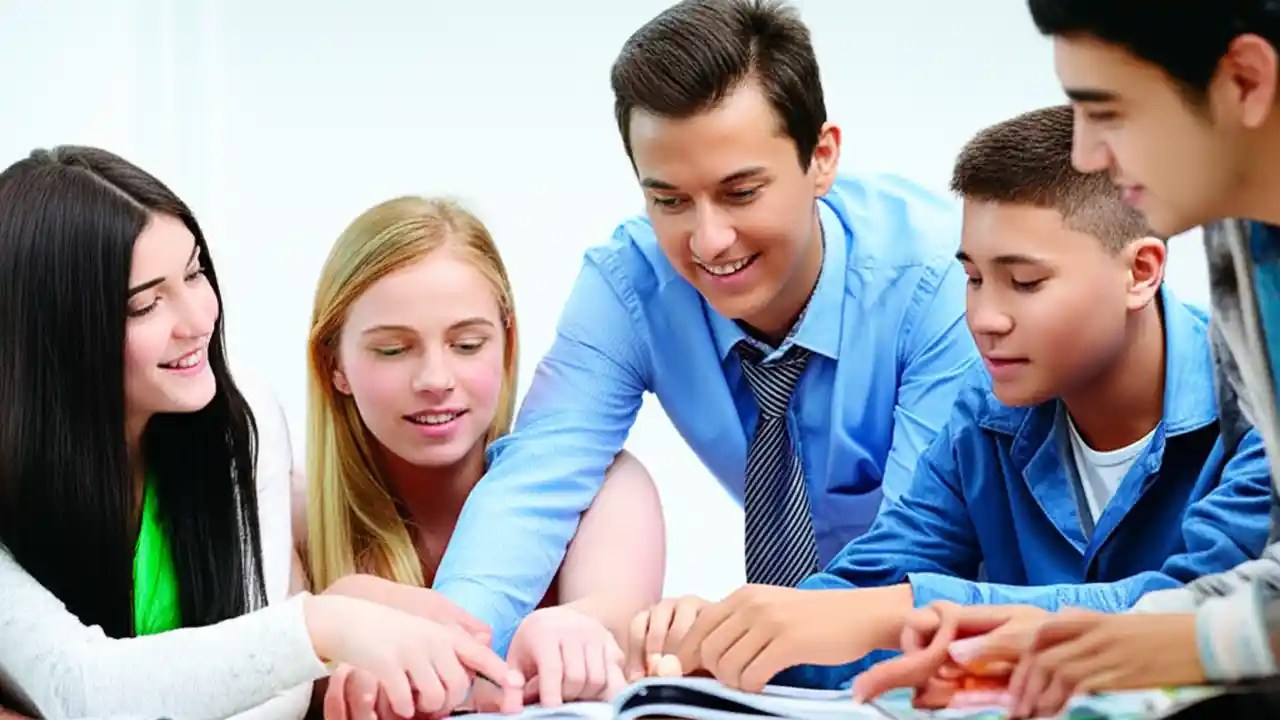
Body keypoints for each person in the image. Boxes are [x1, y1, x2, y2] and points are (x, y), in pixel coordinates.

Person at [632, 104, 1273, 692]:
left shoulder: (1258, 407)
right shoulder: (984, 410)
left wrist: (896, 612)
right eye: (971, 277)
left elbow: (1194, 612)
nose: (985, 318)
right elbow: (862, 594)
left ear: (1140, 272)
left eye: (1024, 281)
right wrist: (727, 635)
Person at [432, 0, 978, 656]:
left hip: (973, 638)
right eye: (669, 201)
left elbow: (919, 549)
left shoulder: (943, 280)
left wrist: (717, 640)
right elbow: (534, 483)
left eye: (742, 192)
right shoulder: (629, 285)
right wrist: (446, 652)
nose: (710, 241)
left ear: (822, 158)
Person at [853, 2, 1280, 717]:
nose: (1086, 156)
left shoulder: (1220, 358)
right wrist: (1076, 644)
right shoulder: (1244, 243)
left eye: (1108, 112)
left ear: (1244, 79)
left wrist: (1145, 644)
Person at [0, 146, 516, 720]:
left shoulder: (237, 419)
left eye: (195, 273)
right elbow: (81, 690)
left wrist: (324, 619)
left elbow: (275, 706)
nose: (200, 320)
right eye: (145, 305)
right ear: (56, 334)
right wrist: (322, 623)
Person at [298, 196, 666, 717]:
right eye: (393, 350)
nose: (435, 381)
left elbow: (617, 618)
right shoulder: (291, 517)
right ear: (334, 365)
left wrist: (577, 629)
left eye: (467, 344)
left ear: (506, 344)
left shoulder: (604, 490)